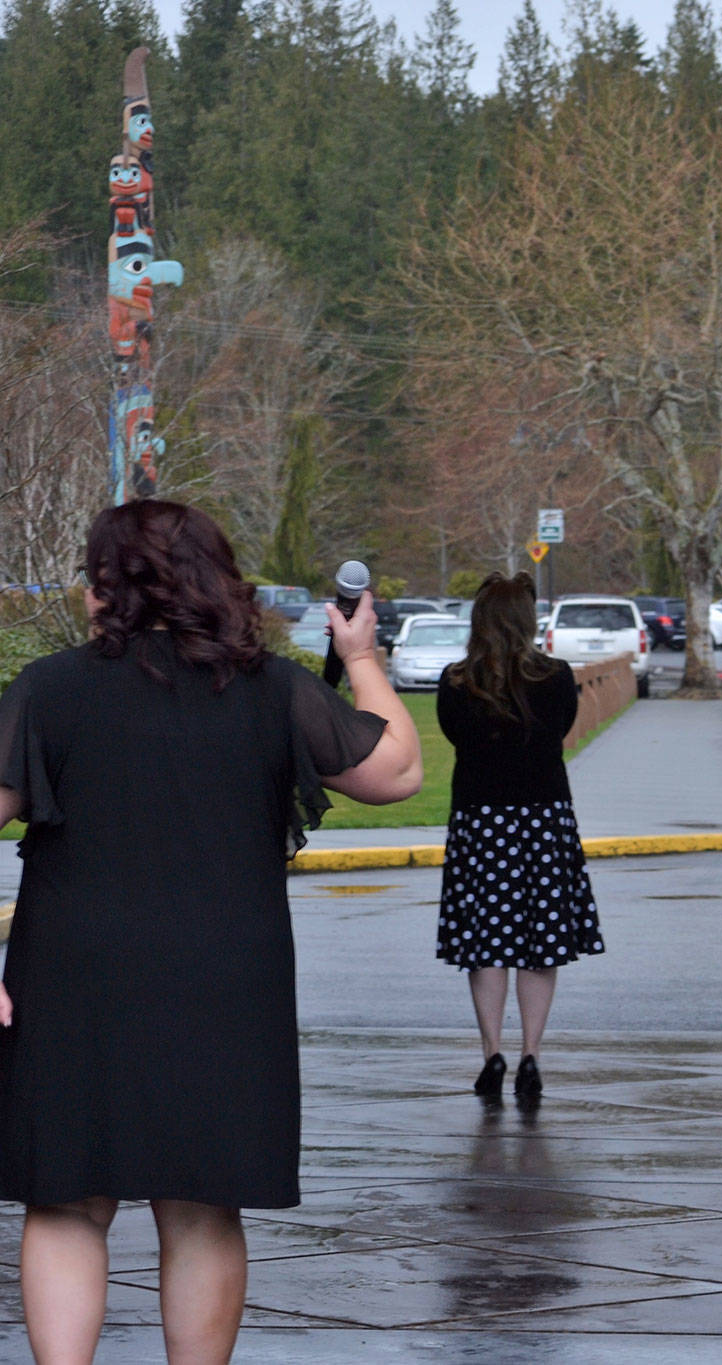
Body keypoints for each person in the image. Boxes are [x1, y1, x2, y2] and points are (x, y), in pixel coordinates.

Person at [0, 500, 422, 1365]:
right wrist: (362, 654)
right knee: (200, 1205)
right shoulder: (270, 689)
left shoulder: (51, 688)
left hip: (76, 976)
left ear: (110, 586)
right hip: (225, 977)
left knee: (68, 1201)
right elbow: (399, 769)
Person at [437, 572, 604, 1110]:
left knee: (486, 945)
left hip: (481, 822)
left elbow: (454, 736)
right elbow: (560, 732)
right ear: (528, 621)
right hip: (543, 819)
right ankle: (531, 1053)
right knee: (541, 943)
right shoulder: (556, 678)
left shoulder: (456, 681)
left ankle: (492, 1054)